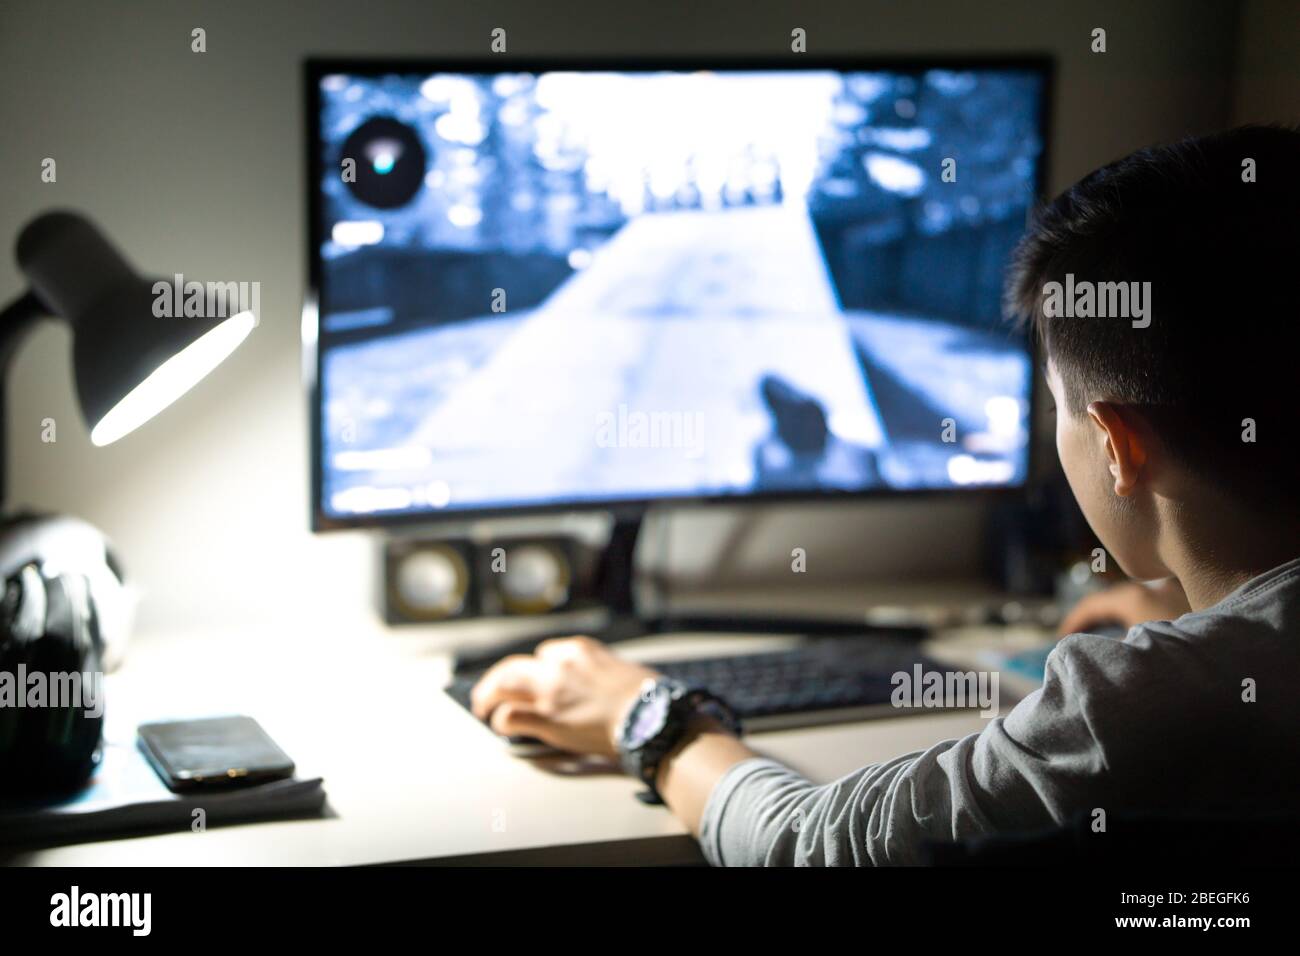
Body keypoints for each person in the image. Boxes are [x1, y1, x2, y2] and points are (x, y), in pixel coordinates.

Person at [470, 125, 1300, 865]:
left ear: (1119, 446)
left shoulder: (1134, 707)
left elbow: (806, 844)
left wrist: (647, 716)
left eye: (1056, 407)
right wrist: (1193, 632)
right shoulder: (1223, 669)